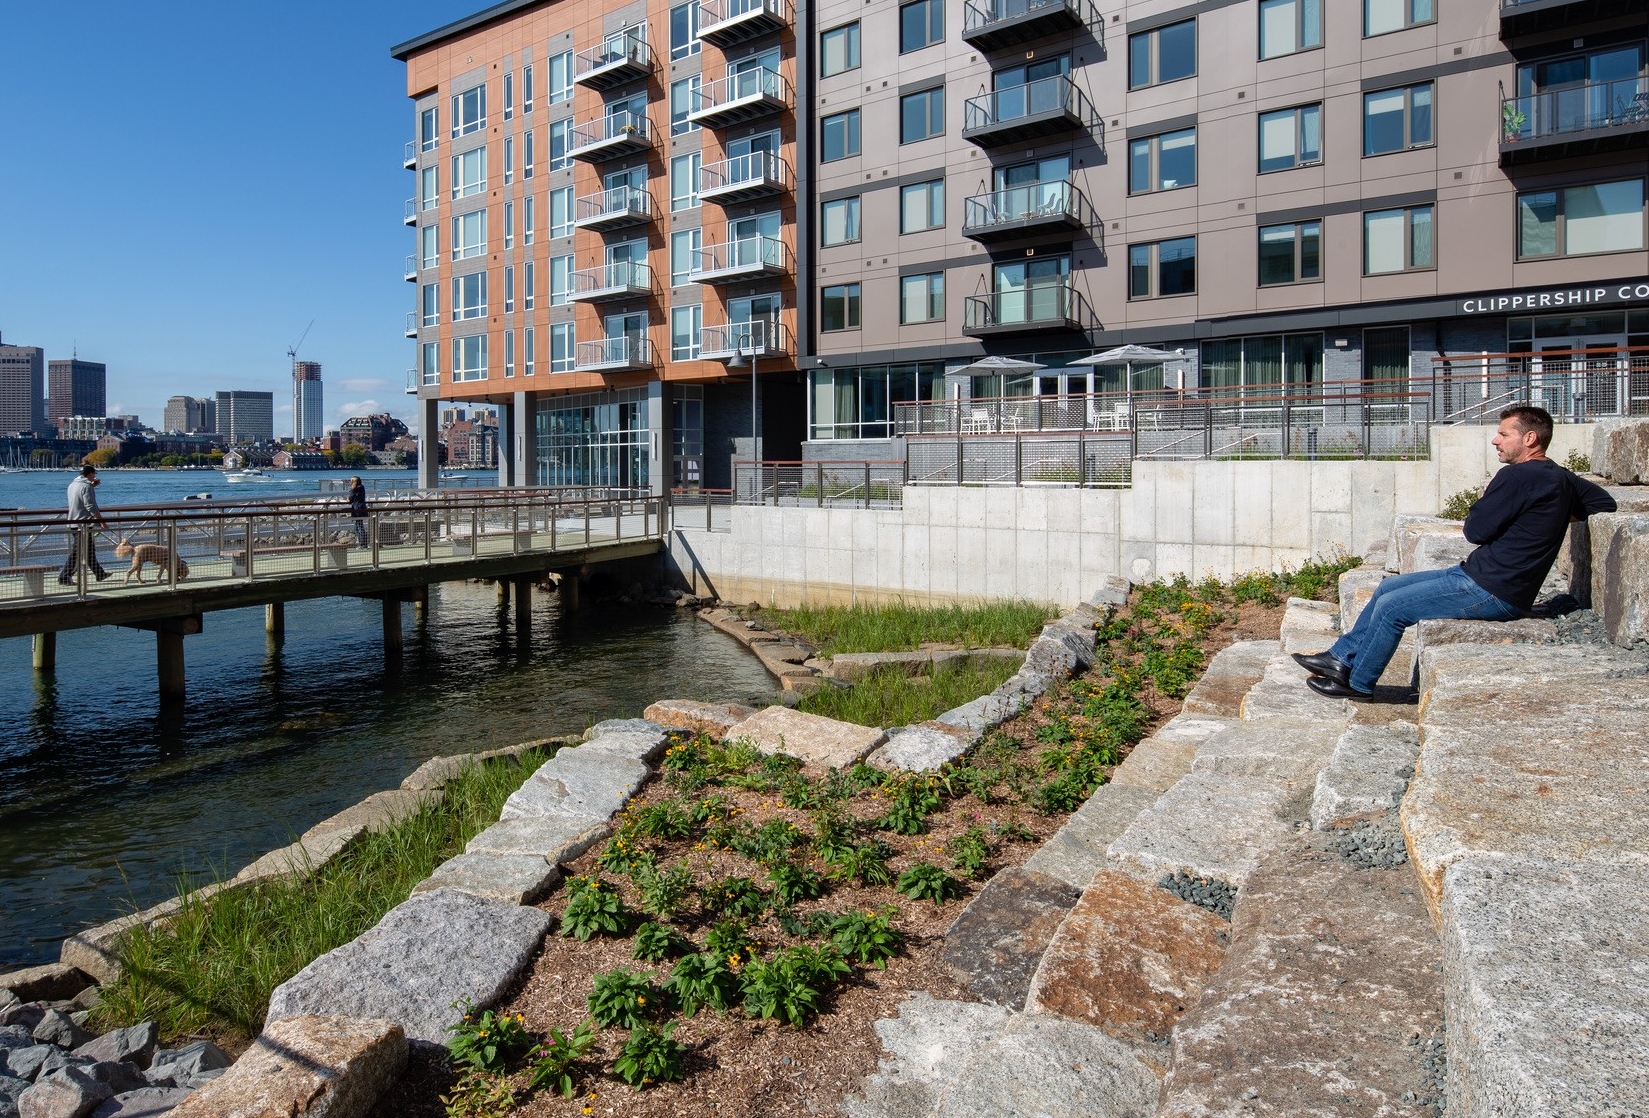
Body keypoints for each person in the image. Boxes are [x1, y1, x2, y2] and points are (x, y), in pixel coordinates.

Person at [1295, 405, 1616, 698]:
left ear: (1530, 438)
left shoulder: (1515, 476)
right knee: (1388, 586)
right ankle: (1339, 658)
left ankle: (1358, 683)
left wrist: (1501, 498)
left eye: (1504, 434)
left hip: (1495, 591)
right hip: (1477, 574)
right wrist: (1546, 514)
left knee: (1394, 608)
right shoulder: (1560, 476)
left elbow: (1476, 530)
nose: (1495, 440)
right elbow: (1604, 502)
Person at [59, 463, 111, 585]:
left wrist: (92, 486)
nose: (95, 477)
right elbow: (90, 506)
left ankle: (100, 573)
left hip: (73, 520)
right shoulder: (86, 487)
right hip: (83, 524)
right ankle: (64, 576)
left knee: (89, 551)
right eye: (94, 474)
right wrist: (101, 521)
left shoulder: (73, 485)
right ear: (90, 474)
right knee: (78, 552)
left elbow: (79, 498)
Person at [348, 475, 369, 548]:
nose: (350, 482)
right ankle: (363, 543)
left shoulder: (354, 489)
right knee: (359, 526)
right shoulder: (362, 487)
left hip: (357, 509)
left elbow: (350, 499)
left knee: (359, 527)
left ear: (354, 482)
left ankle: (363, 544)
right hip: (362, 507)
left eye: (351, 481)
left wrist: (348, 500)